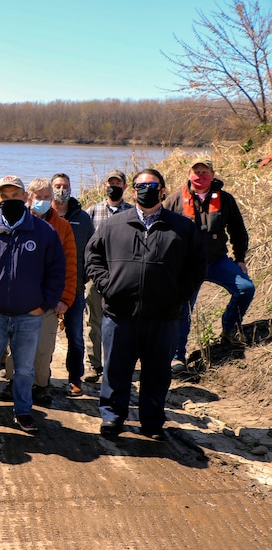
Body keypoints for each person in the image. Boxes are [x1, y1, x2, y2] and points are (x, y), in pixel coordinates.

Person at [85, 168, 206, 439]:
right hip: (119, 314)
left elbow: (197, 265)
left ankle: (151, 422)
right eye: (141, 185)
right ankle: (112, 417)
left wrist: (179, 294)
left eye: (152, 185)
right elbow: (92, 256)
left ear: (162, 190)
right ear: (133, 190)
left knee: (157, 372)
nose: (146, 189)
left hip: (163, 316)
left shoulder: (182, 227)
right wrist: (107, 285)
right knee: (116, 368)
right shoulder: (113, 225)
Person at [0, 175, 65, 434]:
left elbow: (56, 270)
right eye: (4, 197)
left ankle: (23, 411)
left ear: (25, 198)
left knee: (25, 368)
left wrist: (44, 304)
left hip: (29, 314)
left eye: (15, 196)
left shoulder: (43, 232)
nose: (10, 201)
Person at [164, 157, 254, 371]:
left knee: (246, 288)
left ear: (213, 175)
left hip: (216, 261)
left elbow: (238, 232)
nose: (200, 177)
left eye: (204, 172)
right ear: (189, 175)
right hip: (186, 265)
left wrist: (240, 258)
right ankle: (177, 356)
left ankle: (229, 329)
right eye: (196, 172)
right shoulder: (175, 199)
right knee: (183, 308)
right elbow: (161, 232)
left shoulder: (226, 199)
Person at [3, 178, 76, 406]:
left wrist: (65, 298)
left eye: (47, 198)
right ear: (29, 198)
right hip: (20, 298)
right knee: (17, 345)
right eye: (39, 197)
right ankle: (13, 382)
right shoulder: (16, 221)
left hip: (49, 299)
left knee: (44, 347)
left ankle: (41, 385)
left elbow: (71, 264)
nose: (43, 202)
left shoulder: (62, 227)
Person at [84, 169, 133, 381]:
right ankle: (92, 365)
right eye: (110, 182)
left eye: (118, 183)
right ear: (105, 186)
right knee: (93, 321)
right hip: (96, 276)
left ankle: (116, 364)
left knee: (121, 322)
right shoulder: (93, 212)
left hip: (123, 276)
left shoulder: (132, 212)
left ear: (125, 186)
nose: (114, 186)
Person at [52, 172, 94, 397]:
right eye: (57, 186)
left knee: (76, 337)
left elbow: (92, 250)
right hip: (47, 289)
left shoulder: (83, 218)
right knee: (43, 337)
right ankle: (41, 378)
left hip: (75, 288)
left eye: (65, 186)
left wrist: (85, 276)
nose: (61, 189)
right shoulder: (41, 215)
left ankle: (75, 378)